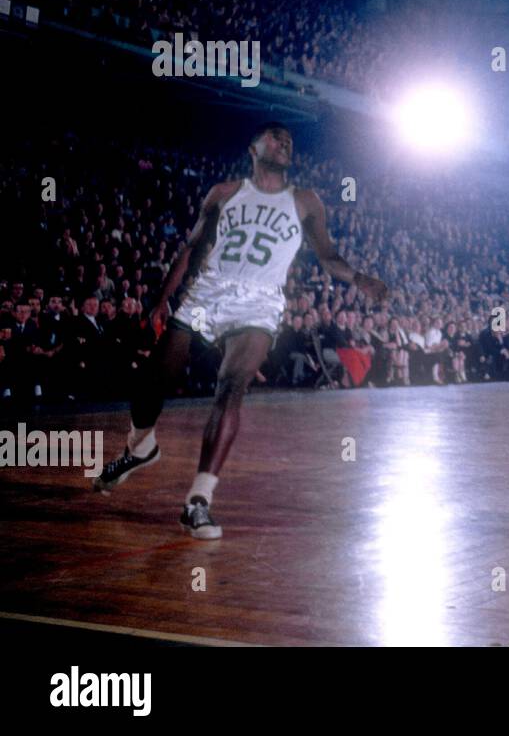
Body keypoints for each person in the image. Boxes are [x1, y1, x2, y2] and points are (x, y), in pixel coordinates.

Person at [92, 123, 387, 539]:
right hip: (209, 291)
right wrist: (163, 299)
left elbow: (329, 255)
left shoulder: (305, 201)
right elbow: (192, 247)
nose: (285, 142)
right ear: (253, 147)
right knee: (154, 379)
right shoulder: (224, 193)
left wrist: (359, 279)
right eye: (275, 136)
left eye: (289, 140)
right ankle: (140, 446)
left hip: (260, 301)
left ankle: (198, 500)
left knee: (231, 385)